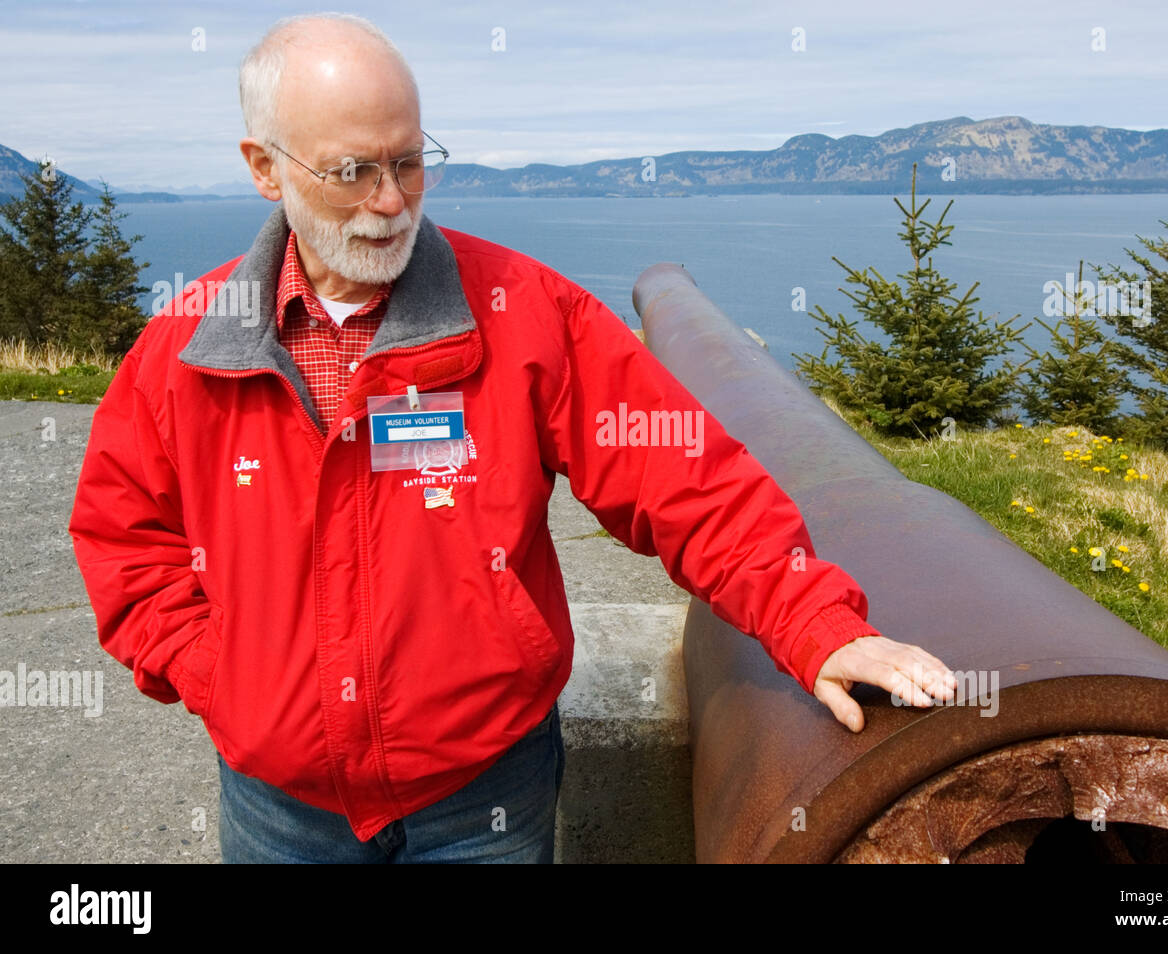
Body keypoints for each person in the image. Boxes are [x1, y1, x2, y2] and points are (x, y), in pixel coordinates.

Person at [67, 13, 956, 864]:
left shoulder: (529, 316)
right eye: (353, 171)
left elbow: (681, 477)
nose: (390, 202)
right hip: (279, 807)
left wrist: (813, 622)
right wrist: (225, 680)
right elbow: (121, 536)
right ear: (265, 167)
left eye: (410, 162)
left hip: (484, 797)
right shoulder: (182, 349)